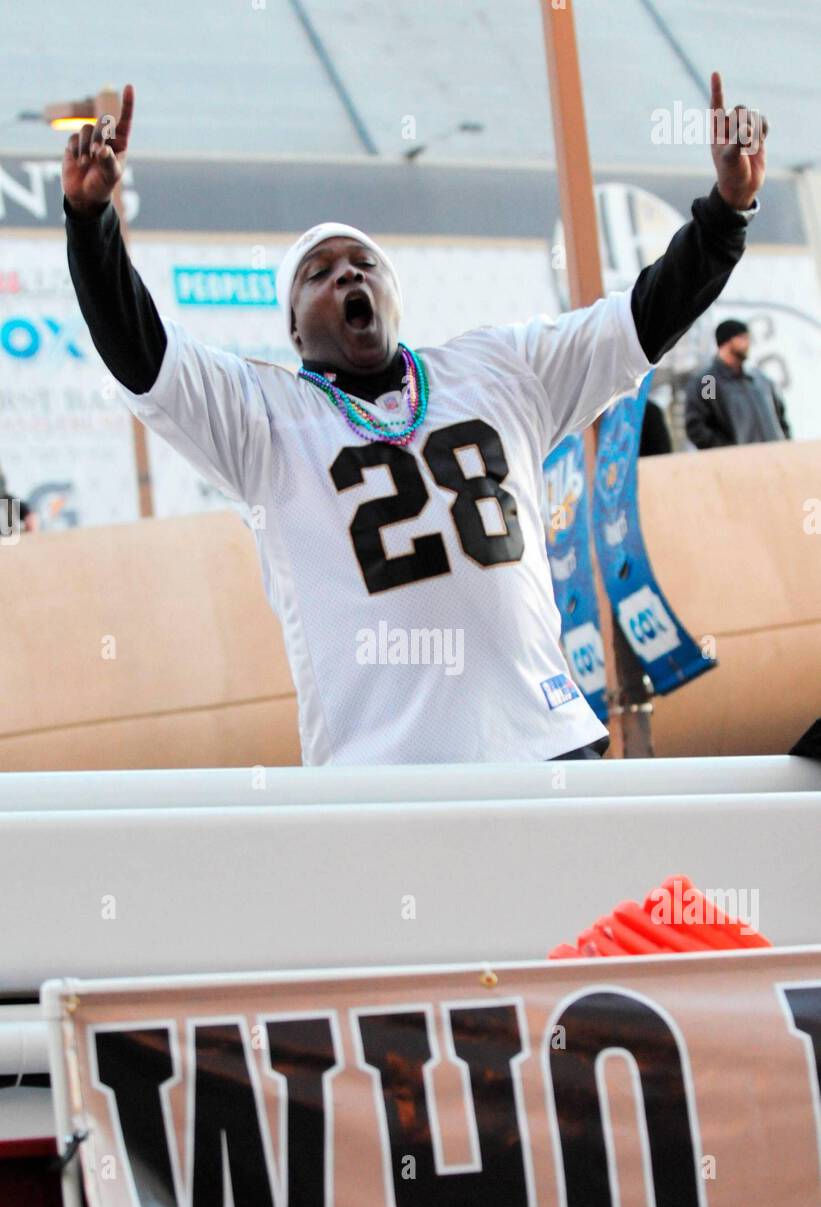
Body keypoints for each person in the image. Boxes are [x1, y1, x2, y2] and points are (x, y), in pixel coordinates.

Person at [62, 74, 767, 767]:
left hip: (547, 746)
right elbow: (143, 352)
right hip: (389, 776)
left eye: (363, 263)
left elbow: (640, 321)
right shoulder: (262, 420)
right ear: (294, 332)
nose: (347, 276)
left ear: (394, 296)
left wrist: (726, 212)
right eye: (320, 273)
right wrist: (91, 224)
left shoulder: (497, 369)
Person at [684, 317, 790, 449]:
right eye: (742, 338)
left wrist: (786, 443)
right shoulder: (709, 381)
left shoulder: (759, 379)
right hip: (738, 465)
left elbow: (781, 417)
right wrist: (727, 451)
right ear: (726, 342)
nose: (747, 343)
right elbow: (699, 426)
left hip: (775, 458)